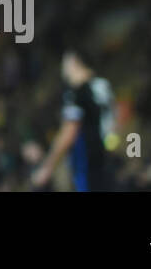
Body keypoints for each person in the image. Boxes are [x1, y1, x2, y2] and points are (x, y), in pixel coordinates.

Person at [31, 49, 115, 191]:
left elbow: (69, 132)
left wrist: (47, 167)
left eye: (65, 64)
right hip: (107, 158)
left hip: (86, 160)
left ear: (75, 62)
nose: (63, 69)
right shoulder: (102, 86)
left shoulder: (75, 93)